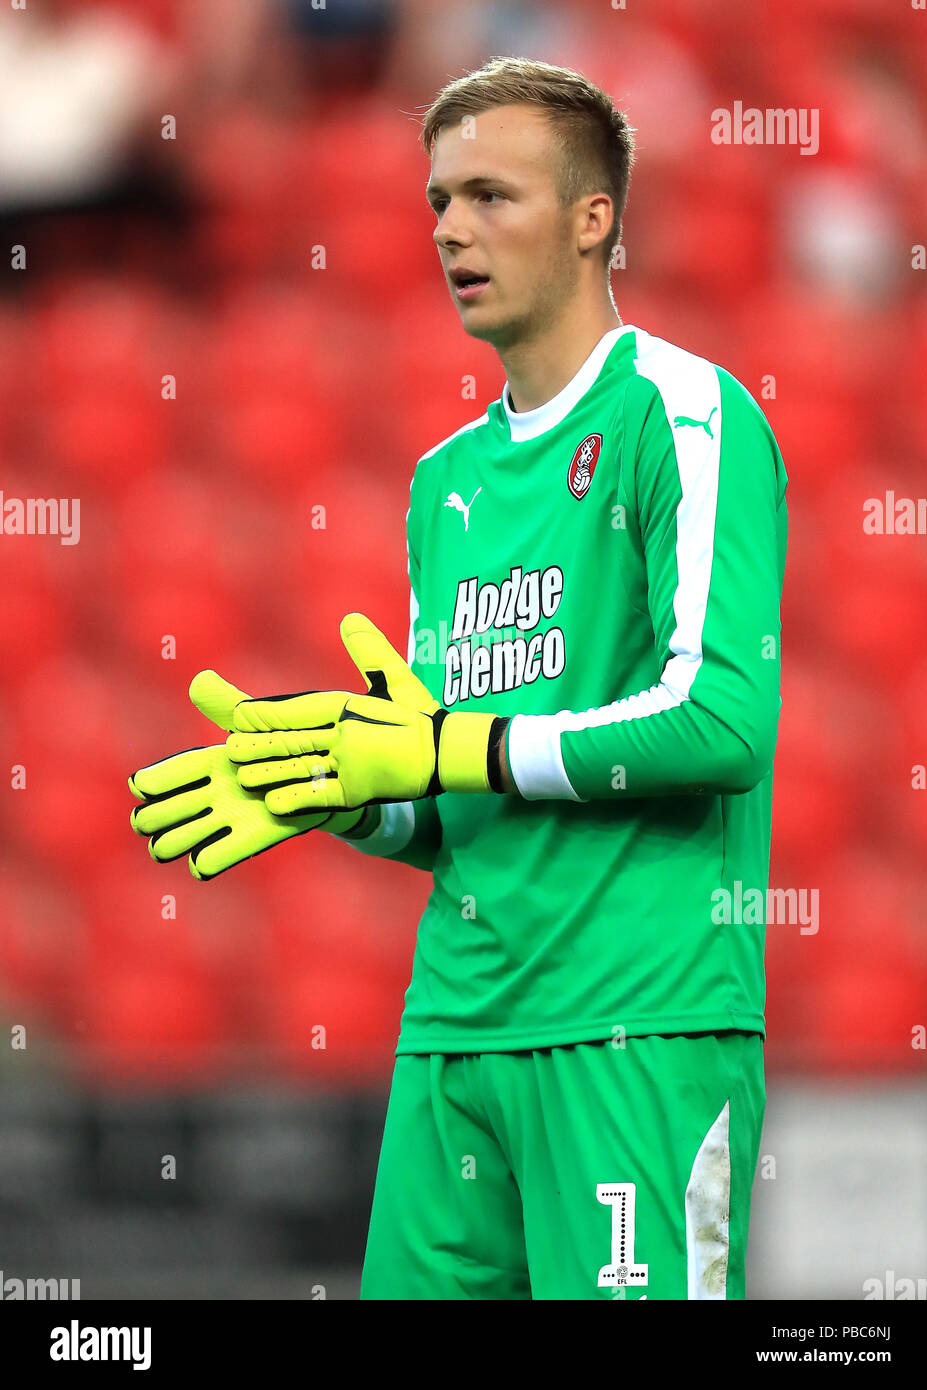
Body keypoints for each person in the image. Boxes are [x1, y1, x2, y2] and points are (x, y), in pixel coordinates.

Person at [131, 55, 788, 1300]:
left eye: (491, 195)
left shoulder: (683, 413)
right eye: (437, 201)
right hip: (453, 1036)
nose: (450, 230)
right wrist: (355, 796)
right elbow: (456, 795)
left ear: (594, 217)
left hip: (631, 1029)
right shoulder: (445, 481)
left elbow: (719, 721)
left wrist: (450, 747)